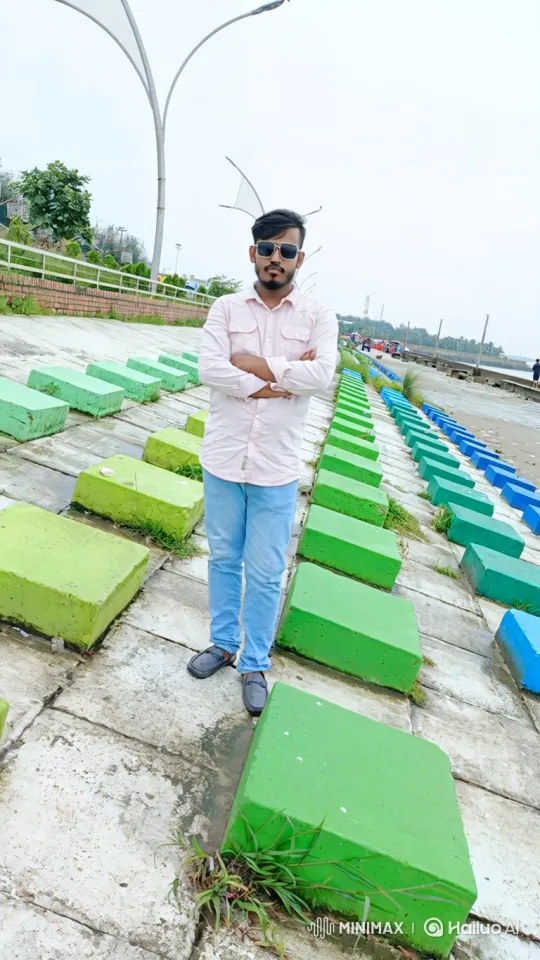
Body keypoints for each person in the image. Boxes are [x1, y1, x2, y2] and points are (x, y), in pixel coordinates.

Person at [187, 209, 338, 715]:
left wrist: (254, 364)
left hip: (276, 467)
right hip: (224, 458)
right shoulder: (226, 309)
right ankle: (224, 645)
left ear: (300, 256)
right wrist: (277, 384)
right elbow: (210, 367)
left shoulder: (318, 316)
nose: (276, 259)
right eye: (268, 249)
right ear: (253, 252)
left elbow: (323, 377)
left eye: (287, 250)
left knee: (268, 571)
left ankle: (255, 663)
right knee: (224, 558)